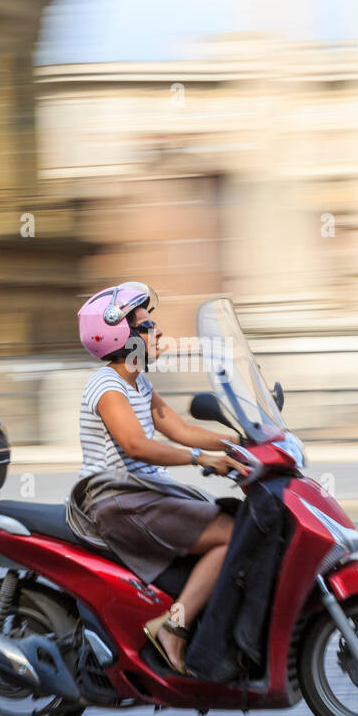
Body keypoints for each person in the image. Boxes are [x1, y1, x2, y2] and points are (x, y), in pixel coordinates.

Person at [69, 281, 247, 674]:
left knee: (236, 530)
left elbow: (178, 428)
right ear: (120, 336)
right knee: (232, 532)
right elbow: (136, 446)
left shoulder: (138, 382)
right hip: (115, 501)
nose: (158, 332)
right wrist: (205, 459)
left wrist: (244, 439)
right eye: (147, 327)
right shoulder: (107, 386)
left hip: (141, 495)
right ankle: (173, 629)